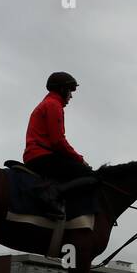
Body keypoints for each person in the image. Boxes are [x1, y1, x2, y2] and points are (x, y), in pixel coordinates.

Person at [23, 72, 96, 218]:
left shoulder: (48, 104)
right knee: (87, 174)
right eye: (70, 91)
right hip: (42, 156)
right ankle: (51, 196)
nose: (71, 96)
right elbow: (58, 142)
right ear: (62, 90)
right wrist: (80, 159)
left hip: (36, 155)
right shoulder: (53, 105)